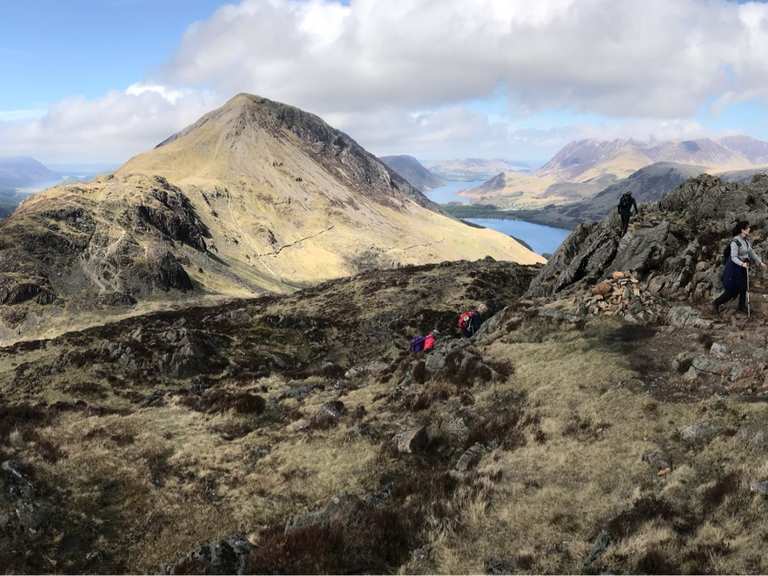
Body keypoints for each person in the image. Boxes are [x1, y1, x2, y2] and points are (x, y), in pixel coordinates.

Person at [713, 220, 766, 315]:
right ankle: (716, 303)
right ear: (742, 230)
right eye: (747, 227)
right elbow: (733, 257)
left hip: (742, 267)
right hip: (734, 268)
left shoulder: (746, 241)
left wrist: (760, 262)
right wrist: (742, 264)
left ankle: (741, 306)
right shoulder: (735, 241)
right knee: (731, 290)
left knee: (743, 287)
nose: (749, 229)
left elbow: (751, 252)